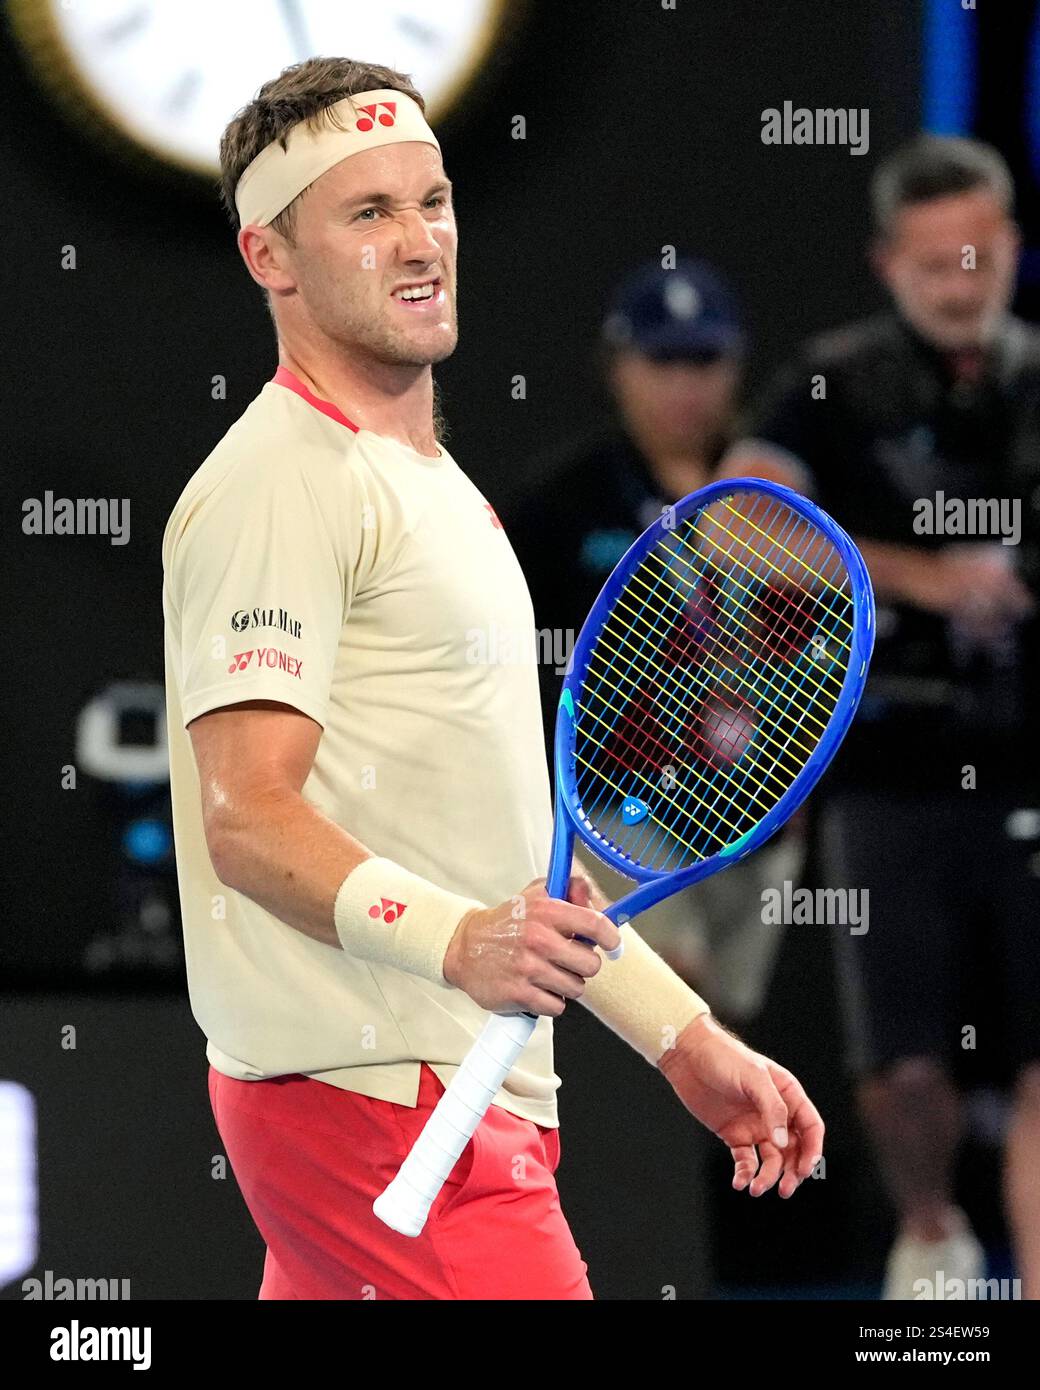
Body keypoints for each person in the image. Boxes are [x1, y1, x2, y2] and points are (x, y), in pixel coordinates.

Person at [161, 56, 824, 1302]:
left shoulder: (433, 485)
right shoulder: (280, 483)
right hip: (380, 1100)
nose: (419, 243)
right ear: (270, 258)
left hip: (419, 1095)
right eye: (366, 214)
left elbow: (514, 861)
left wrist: (681, 1039)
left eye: (433, 200)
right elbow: (247, 818)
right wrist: (460, 940)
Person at [722, 135, 1040, 1300]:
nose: (962, 282)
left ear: (1010, 246)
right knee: (901, 1065)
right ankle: (927, 1223)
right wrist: (920, 577)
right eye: (934, 262)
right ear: (885, 263)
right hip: (888, 768)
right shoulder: (830, 382)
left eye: (981, 254)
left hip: (1026, 760)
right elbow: (732, 533)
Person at [507, 259, 801, 1021]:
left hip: (760, 813)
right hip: (621, 811)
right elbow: (506, 660)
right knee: (670, 992)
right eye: (662, 361)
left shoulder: (776, 495)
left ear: (736, 367)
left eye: (704, 361)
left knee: (742, 1028)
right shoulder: (559, 505)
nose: (685, 386)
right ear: (618, 368)